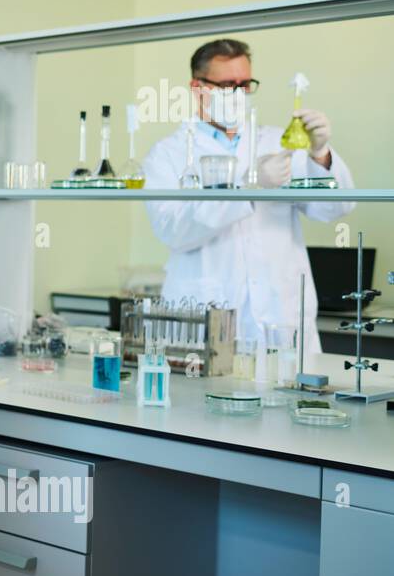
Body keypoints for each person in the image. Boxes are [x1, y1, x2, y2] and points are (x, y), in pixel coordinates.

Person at [142, 38, 354, 356]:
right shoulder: (168, 154)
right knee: (201, 403)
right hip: (207, 314)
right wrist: (248, 190)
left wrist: (320, 154)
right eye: (227, 85)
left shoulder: (276, 144)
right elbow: (173, 230)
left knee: (291, 402)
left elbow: (335, 208)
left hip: (282, 316)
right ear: (198, 87)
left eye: (245, 84)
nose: (238, 94)